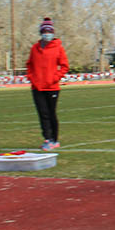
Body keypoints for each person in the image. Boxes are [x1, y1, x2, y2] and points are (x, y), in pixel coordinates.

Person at [28, 18, 69, 150]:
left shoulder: (58, 48)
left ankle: (54, 139)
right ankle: (47, 138)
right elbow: (29, 65)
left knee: (51, 113)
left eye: (49, 31)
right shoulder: (35, 48)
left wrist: (55, 78)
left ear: (52, 32)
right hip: (37, 87)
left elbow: (64, 66)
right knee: (42, 114)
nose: (47, 34)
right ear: (41, 32)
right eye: (44, 31)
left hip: (52, 87)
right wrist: (32, 78)